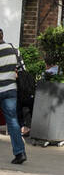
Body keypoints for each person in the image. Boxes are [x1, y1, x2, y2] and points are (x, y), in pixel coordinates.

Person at [0, 28, 26, 166]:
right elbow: (22, 70)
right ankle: (19, 152)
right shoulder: (14, 50)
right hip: (11, 90)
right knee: (13, 122)